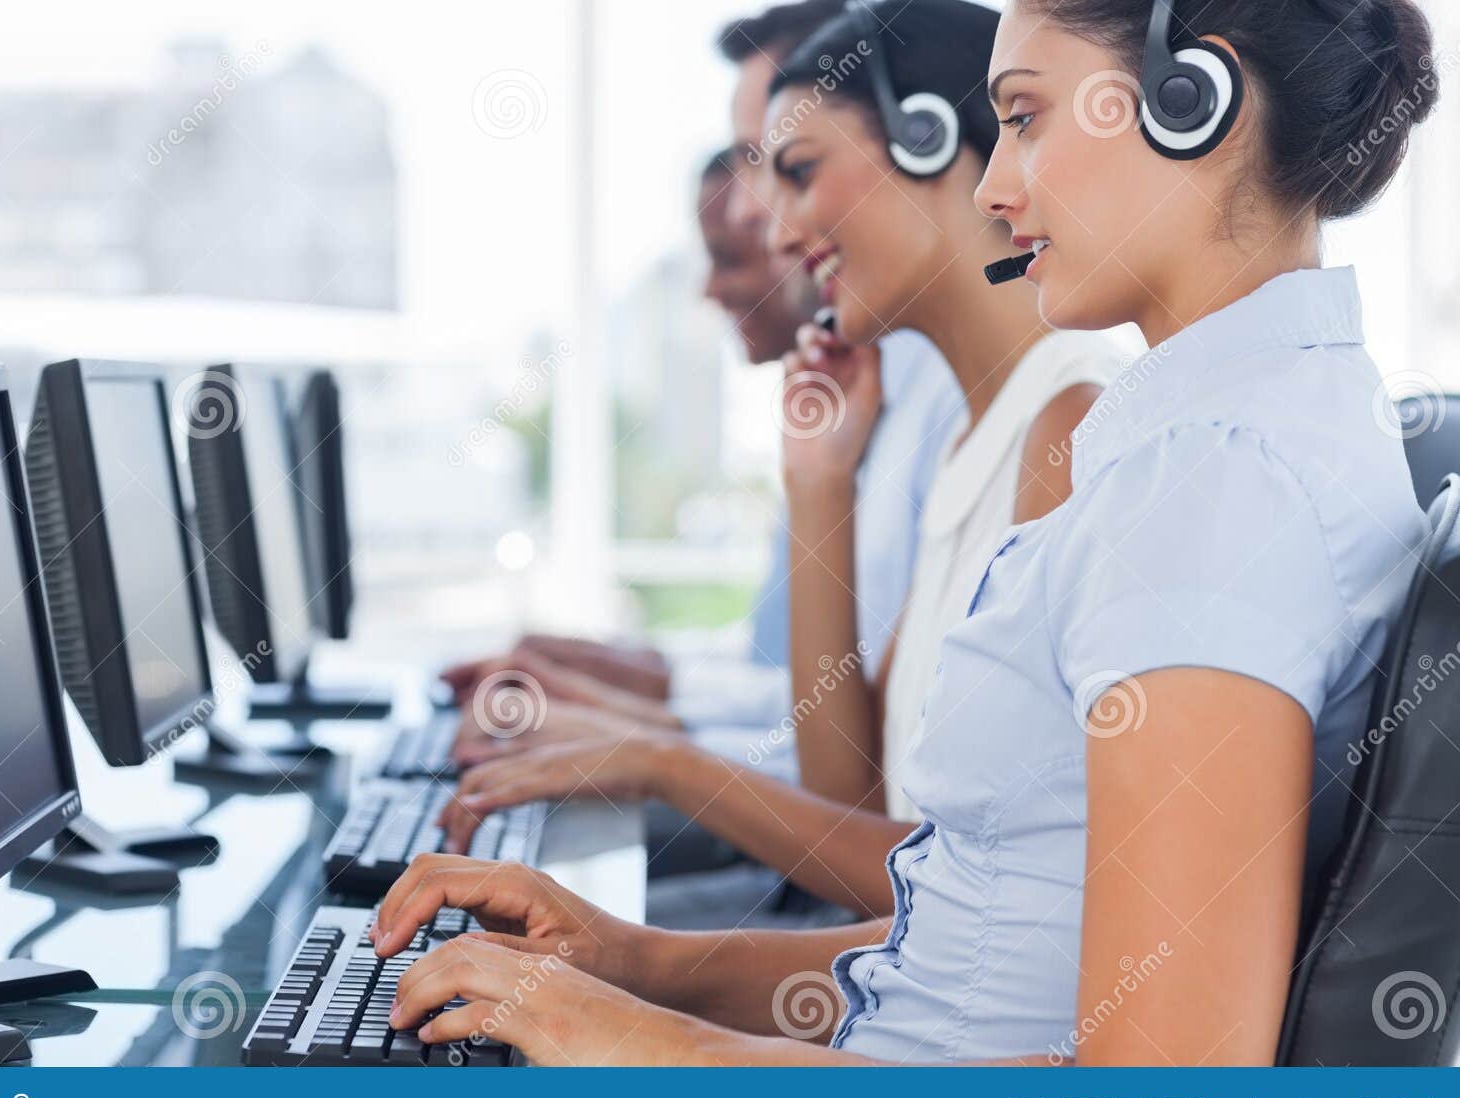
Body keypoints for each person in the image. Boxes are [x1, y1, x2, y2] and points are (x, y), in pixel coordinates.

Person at [374, 0, 1438, 1065]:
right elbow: (970, 953)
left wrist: (627, 1039)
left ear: (1191, 101)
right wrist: (626, 960)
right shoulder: (1229, 435)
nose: (992, 184)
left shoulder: (1214, 481)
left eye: (1023, 116)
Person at [437, 0, 1124, 921]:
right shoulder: (981, 435)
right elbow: (858, 801)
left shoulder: (1069, 422)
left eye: (800, 174)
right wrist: (819, 484)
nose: (781, 230)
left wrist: (660, 762)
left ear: (931, 144)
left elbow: (978, 899)